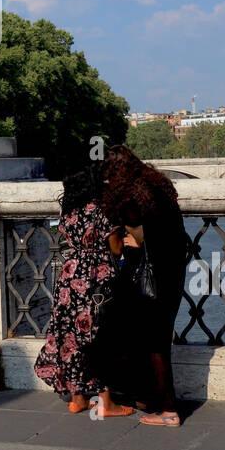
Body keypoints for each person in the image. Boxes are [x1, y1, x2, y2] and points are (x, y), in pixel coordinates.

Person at [92, 145, 190, 427]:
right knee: (153, 338)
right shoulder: (156, 186)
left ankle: (169, 410)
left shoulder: (131, 197)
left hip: (151, 276)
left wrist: (127, 238)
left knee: (152, 342)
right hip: (172, 271)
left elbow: (137, 235)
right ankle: (149, 398)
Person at [34, 163, 135, 417]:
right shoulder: (103, 210)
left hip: (70, 274)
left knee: (70, 337)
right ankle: (106, 402)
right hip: (97, 277)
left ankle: (77, 398)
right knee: (101, 338)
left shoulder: (67, 211)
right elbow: (115, 250)